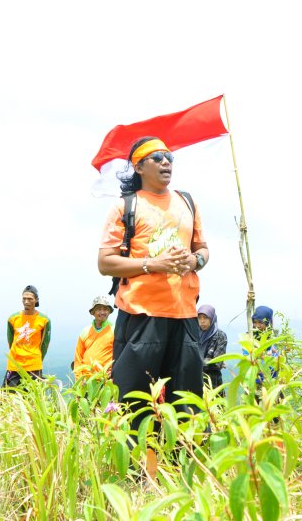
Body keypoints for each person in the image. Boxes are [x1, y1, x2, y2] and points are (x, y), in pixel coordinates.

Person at [98, 136, 208, 432]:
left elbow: (203, 250)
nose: (166, 162)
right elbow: (105, 263)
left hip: (184, 315)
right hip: (141, 316)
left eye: (169, 157)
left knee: (186, 404)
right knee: (134, 402)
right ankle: (135, 474)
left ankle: (181, 469)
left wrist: (194, 261)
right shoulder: (126, 207)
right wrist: (152, 264)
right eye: (157, 157)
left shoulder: (187, 202)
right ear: (139, 166)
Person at [4, 285, 51, 387]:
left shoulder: (44, 320)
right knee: (9, 397)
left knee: (31, 399)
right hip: (14, 365)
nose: (26, 302)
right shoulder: (13, 318)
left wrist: (36, 358)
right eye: (24, 299)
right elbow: (10, 341)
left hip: (33, 365)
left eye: (30, 299)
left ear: (36, 300)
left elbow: (45, 344)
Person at [73, 295, 116, 379]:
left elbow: (120, 355)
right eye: (99, 309)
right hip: (86, 380)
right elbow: (78, 357)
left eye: (105, 309)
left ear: (109, 312)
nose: (102, 312)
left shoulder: (114, 329)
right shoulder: (85, 331)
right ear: (93, 312)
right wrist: (79, 378)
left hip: (106, 379)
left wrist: (114, 372)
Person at [197, 304, 227, 391]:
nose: (202, 321)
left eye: (205, 317)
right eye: (199, 318)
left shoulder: (220, 336)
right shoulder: (194, 334)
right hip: (195, 380)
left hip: (212, 383)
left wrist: (195, 363)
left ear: (212, 318)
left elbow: (217, 363)